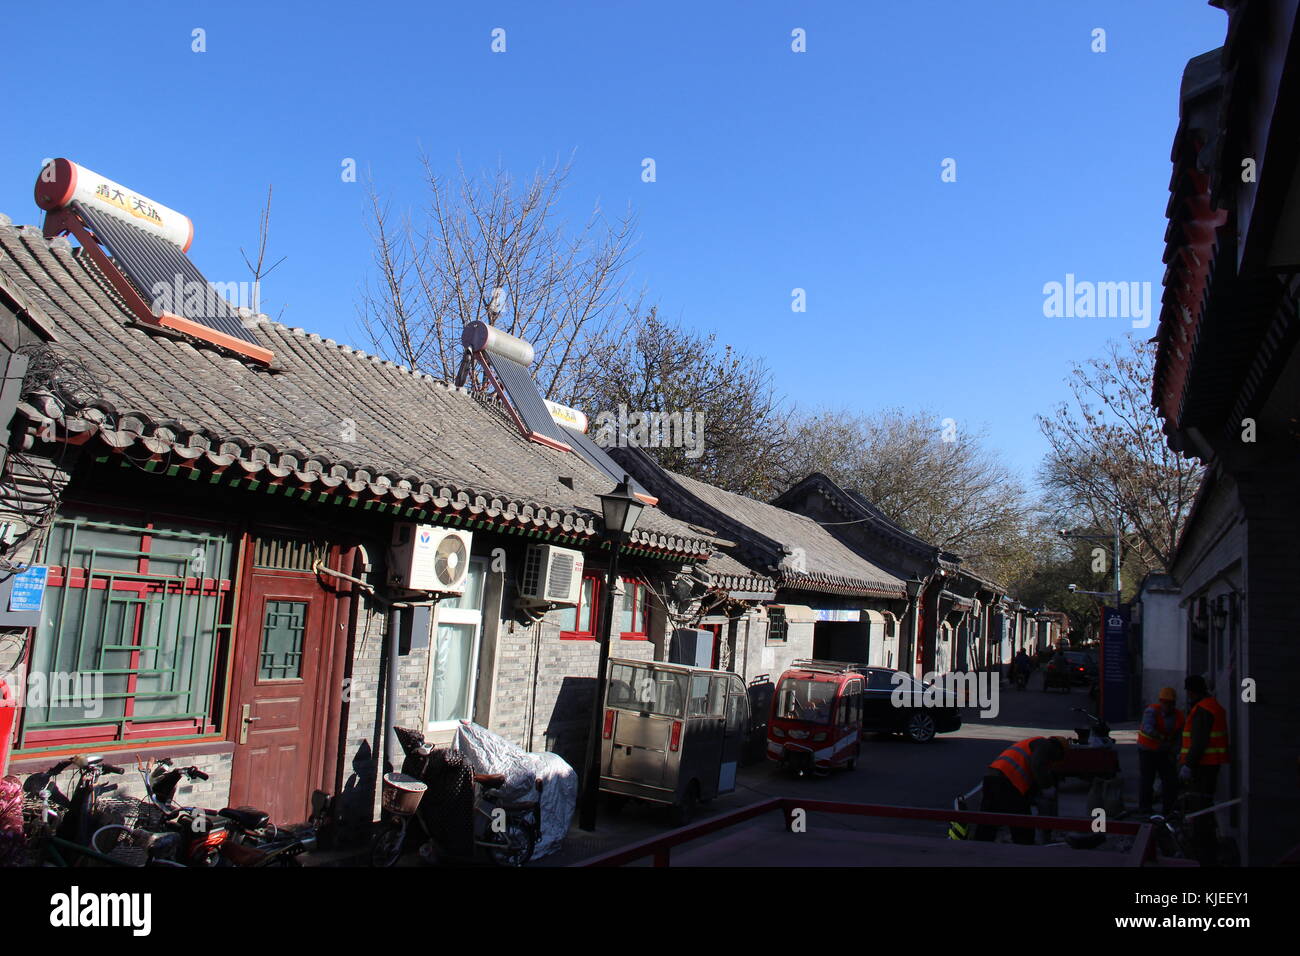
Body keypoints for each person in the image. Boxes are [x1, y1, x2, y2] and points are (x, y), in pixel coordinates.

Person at [974, 735, 1068, 845]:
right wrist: (1046, 787)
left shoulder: (1033, 744)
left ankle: (979, 848)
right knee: (1022, 824)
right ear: (1058, 750)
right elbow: (1038, 765)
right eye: (1057, 759)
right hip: (1009, 782)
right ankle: (1025, 851)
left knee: (988, 820)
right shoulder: (1045, 745)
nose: (1053, 762)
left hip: (992, 777)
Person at [1179, 674, 1229, 865]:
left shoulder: (1203, 710)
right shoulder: (1212, 705)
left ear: (1192, 691)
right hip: (1209, 765)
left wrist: (1188, 765)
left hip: (1203, 767)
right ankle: (1206, 846)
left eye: (1189, 691)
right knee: (1203, 806)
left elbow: (1199, 742)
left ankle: (1204, 853)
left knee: (1199, 808)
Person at [1136, 687, 1184, 814]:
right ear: (1160, 701)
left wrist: (1177, 752)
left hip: (1164, 752)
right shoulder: (1152, 711)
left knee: (1170, 780)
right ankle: (1145, 809)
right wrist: (1161, 737)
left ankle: (1169, 809)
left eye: (1170, 703)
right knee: (1147, 780)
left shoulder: (1178, 716)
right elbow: (1147, 728)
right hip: (1148, 751)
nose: (1168, 705)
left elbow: (1179, 737)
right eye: (1165, 702)